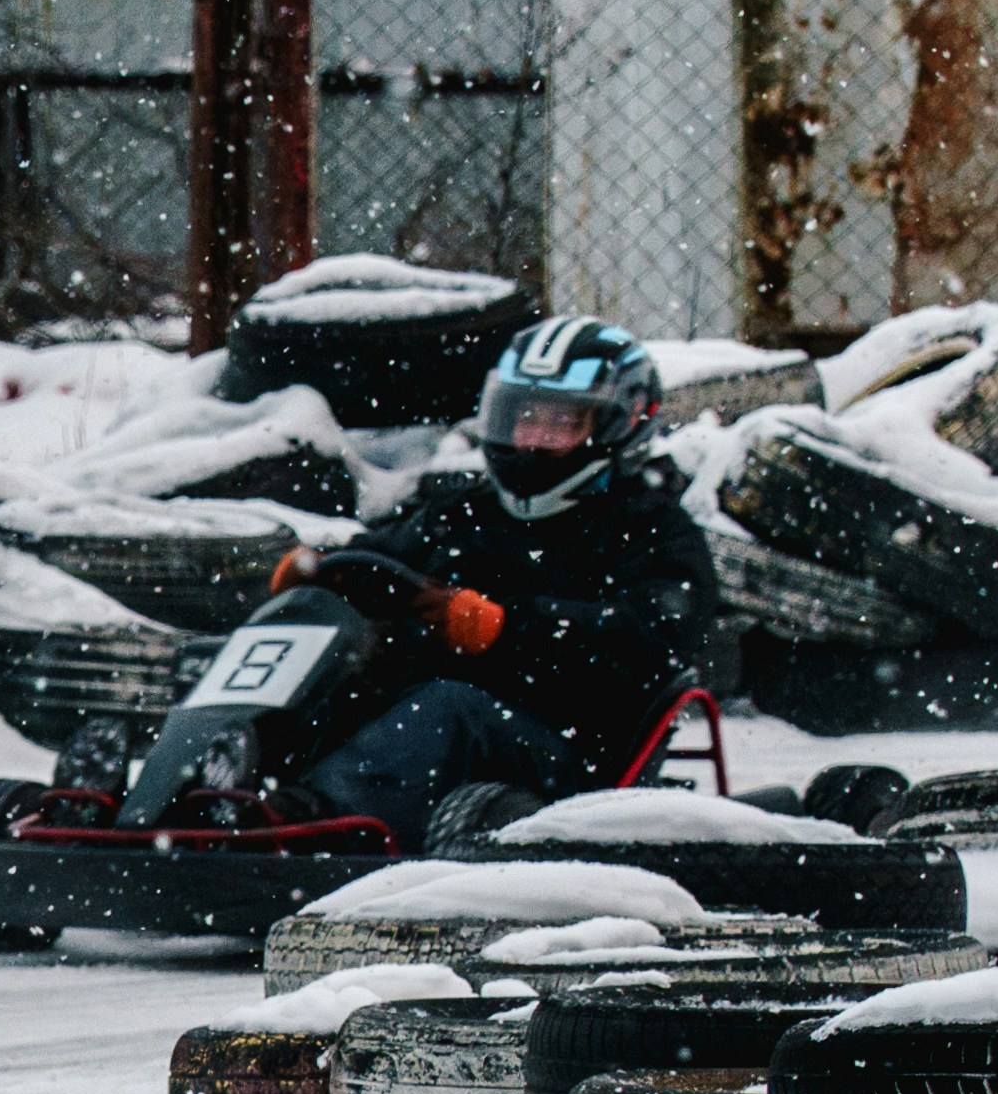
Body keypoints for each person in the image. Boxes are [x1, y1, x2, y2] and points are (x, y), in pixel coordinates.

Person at [271, 313, 708, 847]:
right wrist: (317, 576)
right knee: (339, 676)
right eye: (524, 418)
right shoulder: (462, 513)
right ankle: (217, 794)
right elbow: (377, 563)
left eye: (562, 422)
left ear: (621, 424)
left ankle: (315, 823)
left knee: (447, 706)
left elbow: (649, 640)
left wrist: (507, 629)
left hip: (573, 758)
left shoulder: (653, 530)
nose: (532, 440)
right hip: (441, 739)